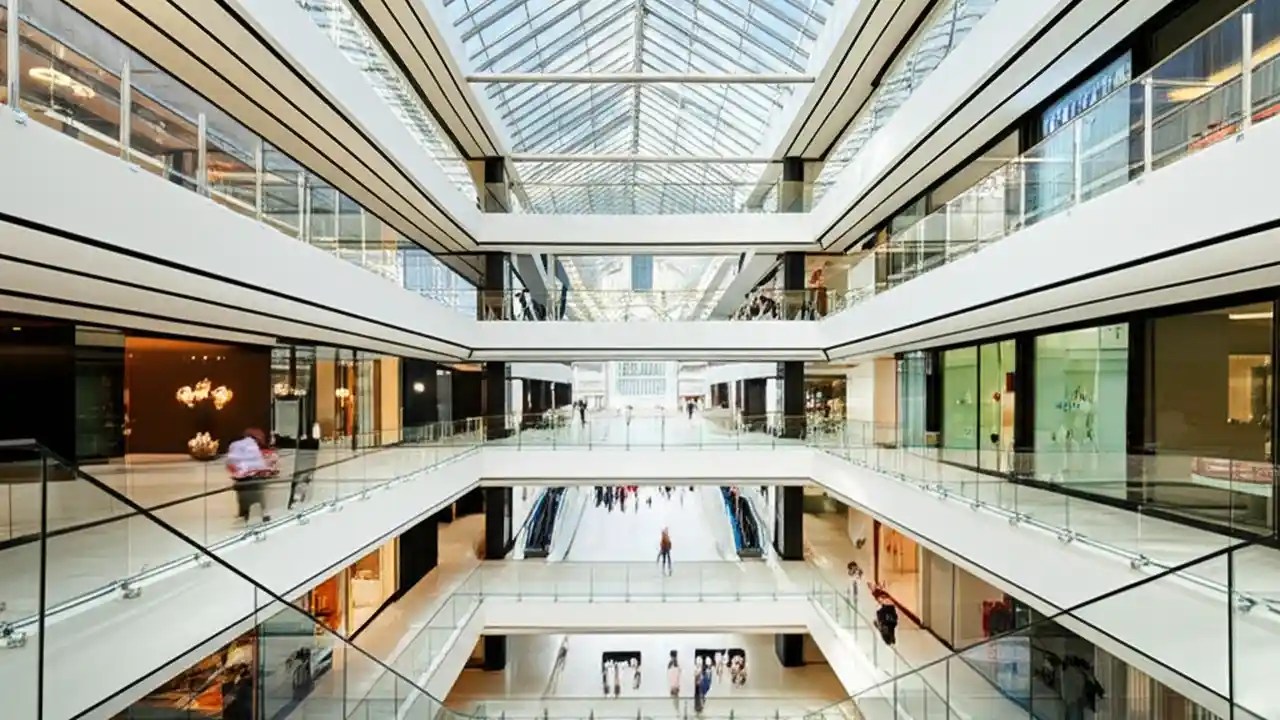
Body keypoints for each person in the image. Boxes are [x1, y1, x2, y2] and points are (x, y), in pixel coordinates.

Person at [226, 428, 271, 523]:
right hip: (254, 476)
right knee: (258, 496)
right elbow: (258, 461)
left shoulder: (237, 445)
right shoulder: (252, 445)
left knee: (243, 497)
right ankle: (263, 513)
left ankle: (244, 513)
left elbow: (231, 460)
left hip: (243, 477)